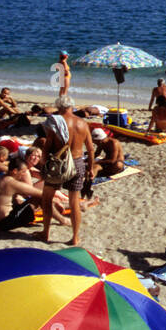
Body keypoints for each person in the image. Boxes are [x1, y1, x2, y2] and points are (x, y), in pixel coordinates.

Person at [39, 97, 94, 246]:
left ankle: (45, 233)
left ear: (58, 106)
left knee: (47, 198)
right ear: (72, 106)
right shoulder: (82, 123)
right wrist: (91, 167)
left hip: (59, 163)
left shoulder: (55, 122)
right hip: (77, 162)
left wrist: (43, 161)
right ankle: (75, 237)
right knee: (74, 201)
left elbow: (49, 144)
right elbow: (90, 148)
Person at [0, 156, 66, 232]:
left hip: (0, 220)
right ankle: (63, 220)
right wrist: (55, 200)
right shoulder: (11, 182)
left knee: (30, 201)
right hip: (6, 222)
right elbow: (39, 193)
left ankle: (60, 218)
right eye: (23, 172)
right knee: (39, 198)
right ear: (15, 171)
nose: (24, 174)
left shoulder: (1, 178)